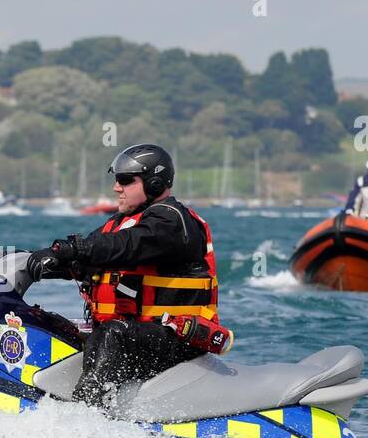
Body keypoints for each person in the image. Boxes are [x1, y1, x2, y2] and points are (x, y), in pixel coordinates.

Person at [26, 143, 228, 410]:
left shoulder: (172, 222)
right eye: (116, 180)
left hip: (179, 339)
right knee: (53, 326)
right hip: (142, 336)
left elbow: (126, 245)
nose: (116, 187)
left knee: (112, 334)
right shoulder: (122, 222)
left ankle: (84, 421)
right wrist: (33, 260)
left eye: (125, 180)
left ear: (154, 184)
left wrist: (74, 248)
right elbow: (87, 259)